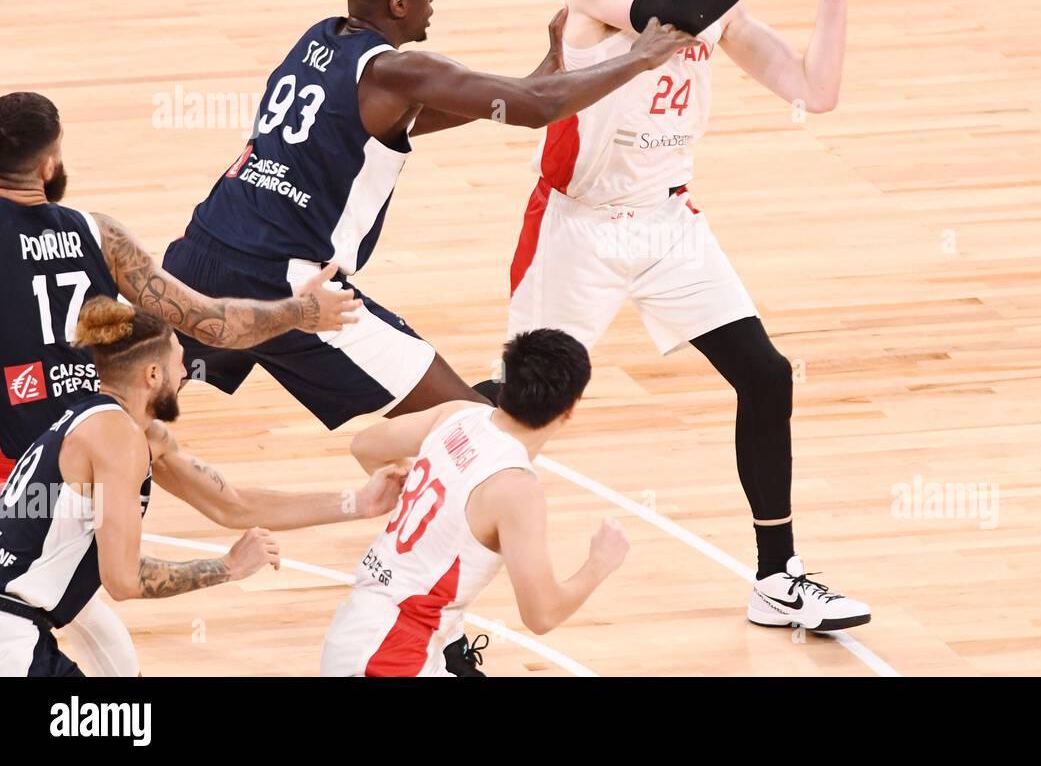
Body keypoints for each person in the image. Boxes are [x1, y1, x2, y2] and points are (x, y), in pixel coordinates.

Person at [494, 0, 869, 631]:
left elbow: (815, 89)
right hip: (579, 227)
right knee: (519, 412)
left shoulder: (712, 1)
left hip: (669, 226)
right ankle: (426, 533)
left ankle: (778, 576)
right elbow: (679, 16)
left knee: (765, 376)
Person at [161, 0, 697, 431]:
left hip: (199, 255)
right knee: (468, 427)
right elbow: (536, 110)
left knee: (131, 407)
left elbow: (429, 117)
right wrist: (637, 59)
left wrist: (543, 73)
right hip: (287, 281)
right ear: (399, 5)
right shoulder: (402, 70)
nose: (432, 4)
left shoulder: (318, 41)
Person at [0, 89, 360, 676]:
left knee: (79, 624)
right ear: (48, 164)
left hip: (40, 462)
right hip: (65, 455)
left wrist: (360, 503)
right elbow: (206, 320)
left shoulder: (128, 435)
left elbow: (231, 504)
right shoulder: (99, 235)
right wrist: (299, 311)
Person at [0, 297, 407, 676]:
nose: (184, 373)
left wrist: (361, 502)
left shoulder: (122, 429)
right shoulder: (116, 437)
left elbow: (232, 506)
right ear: (153, 373)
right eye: (179, 361)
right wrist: (226, 568)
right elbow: (122, 579)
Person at [321, 328, 627, 677]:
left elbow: (364, 445)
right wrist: (599, 564)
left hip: (362, 630)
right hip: (393, 656)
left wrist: (405, 479)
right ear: (570, 409)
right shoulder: (516, 489)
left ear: (504, 381)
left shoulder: (457, 414)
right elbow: (542, 615)